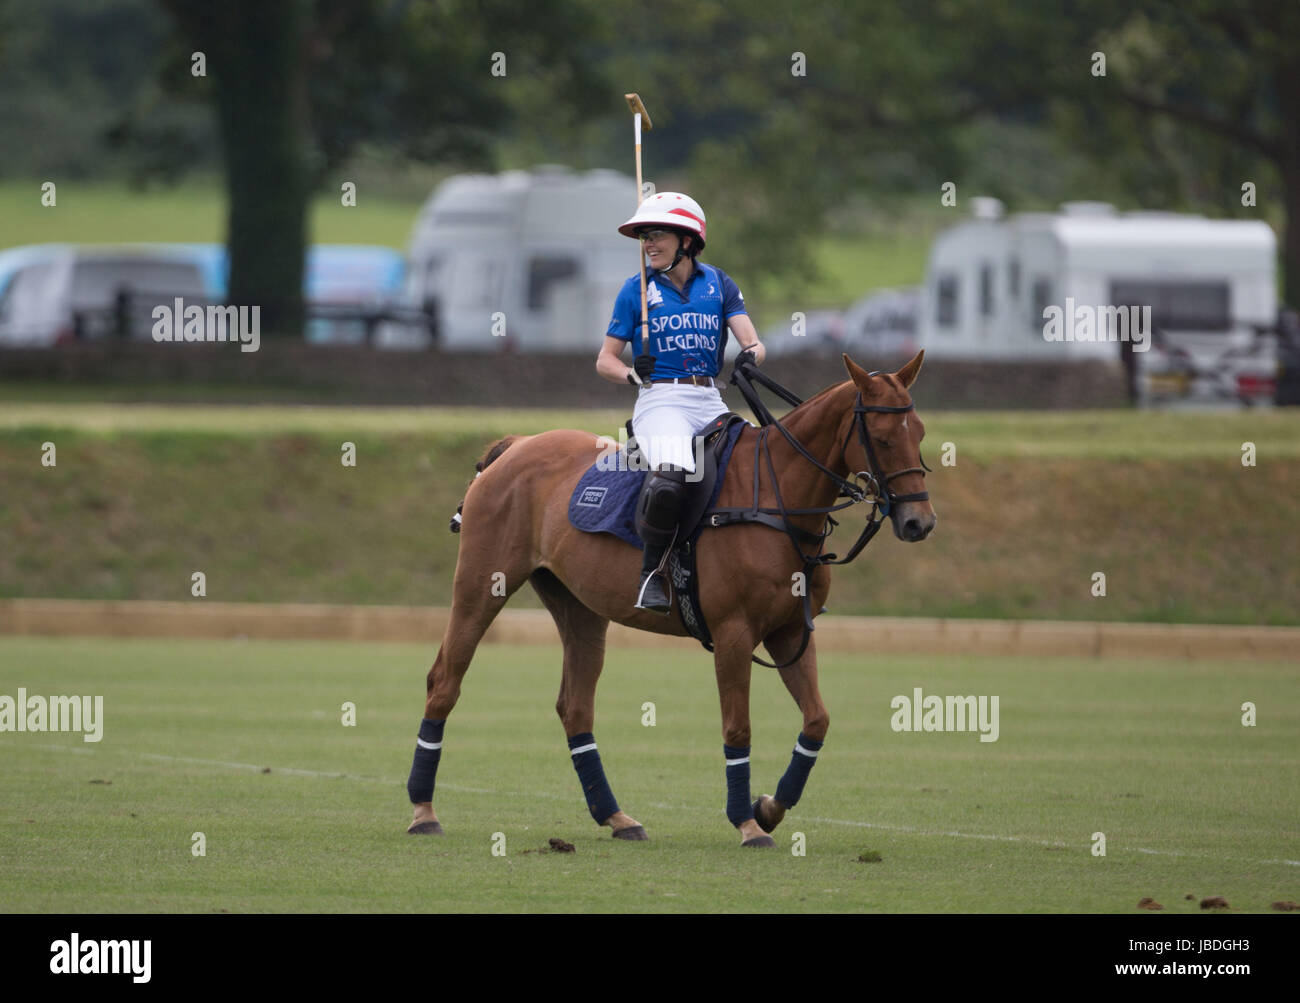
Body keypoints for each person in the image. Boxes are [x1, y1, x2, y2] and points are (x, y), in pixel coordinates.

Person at [595, 192, 766, 613]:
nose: (648, 244)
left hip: (710, 398)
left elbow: (754, 342)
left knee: (754, 467)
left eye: (657, 235)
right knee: (673, 474)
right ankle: (651, 574)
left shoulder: (719, 283)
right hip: (661, 399)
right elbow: (604, 361)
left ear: (687, 241)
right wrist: (634, 373)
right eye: (644, 237)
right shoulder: (635, 290)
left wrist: (749, 357)